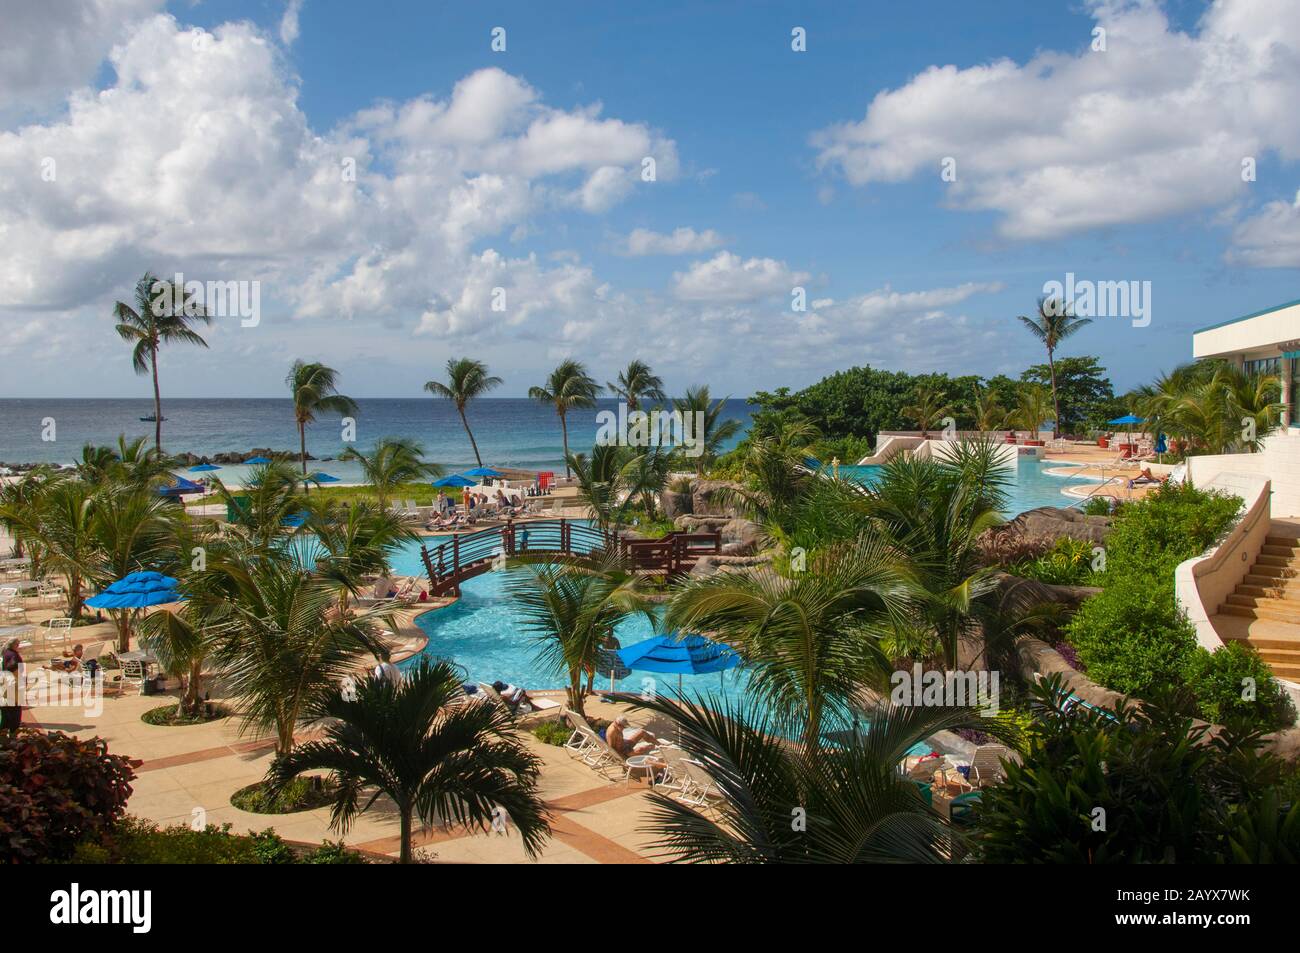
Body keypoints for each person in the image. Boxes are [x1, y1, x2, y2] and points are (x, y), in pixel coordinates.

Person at [1, 638, 23, 735]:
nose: (19, 647)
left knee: (6, 710)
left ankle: (4, 733)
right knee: (15, 710)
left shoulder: (5, 652)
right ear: (13, 645)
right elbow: (12, 666)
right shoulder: (13, 655)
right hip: (12, 686)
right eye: (17, 645)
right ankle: (13, 733)